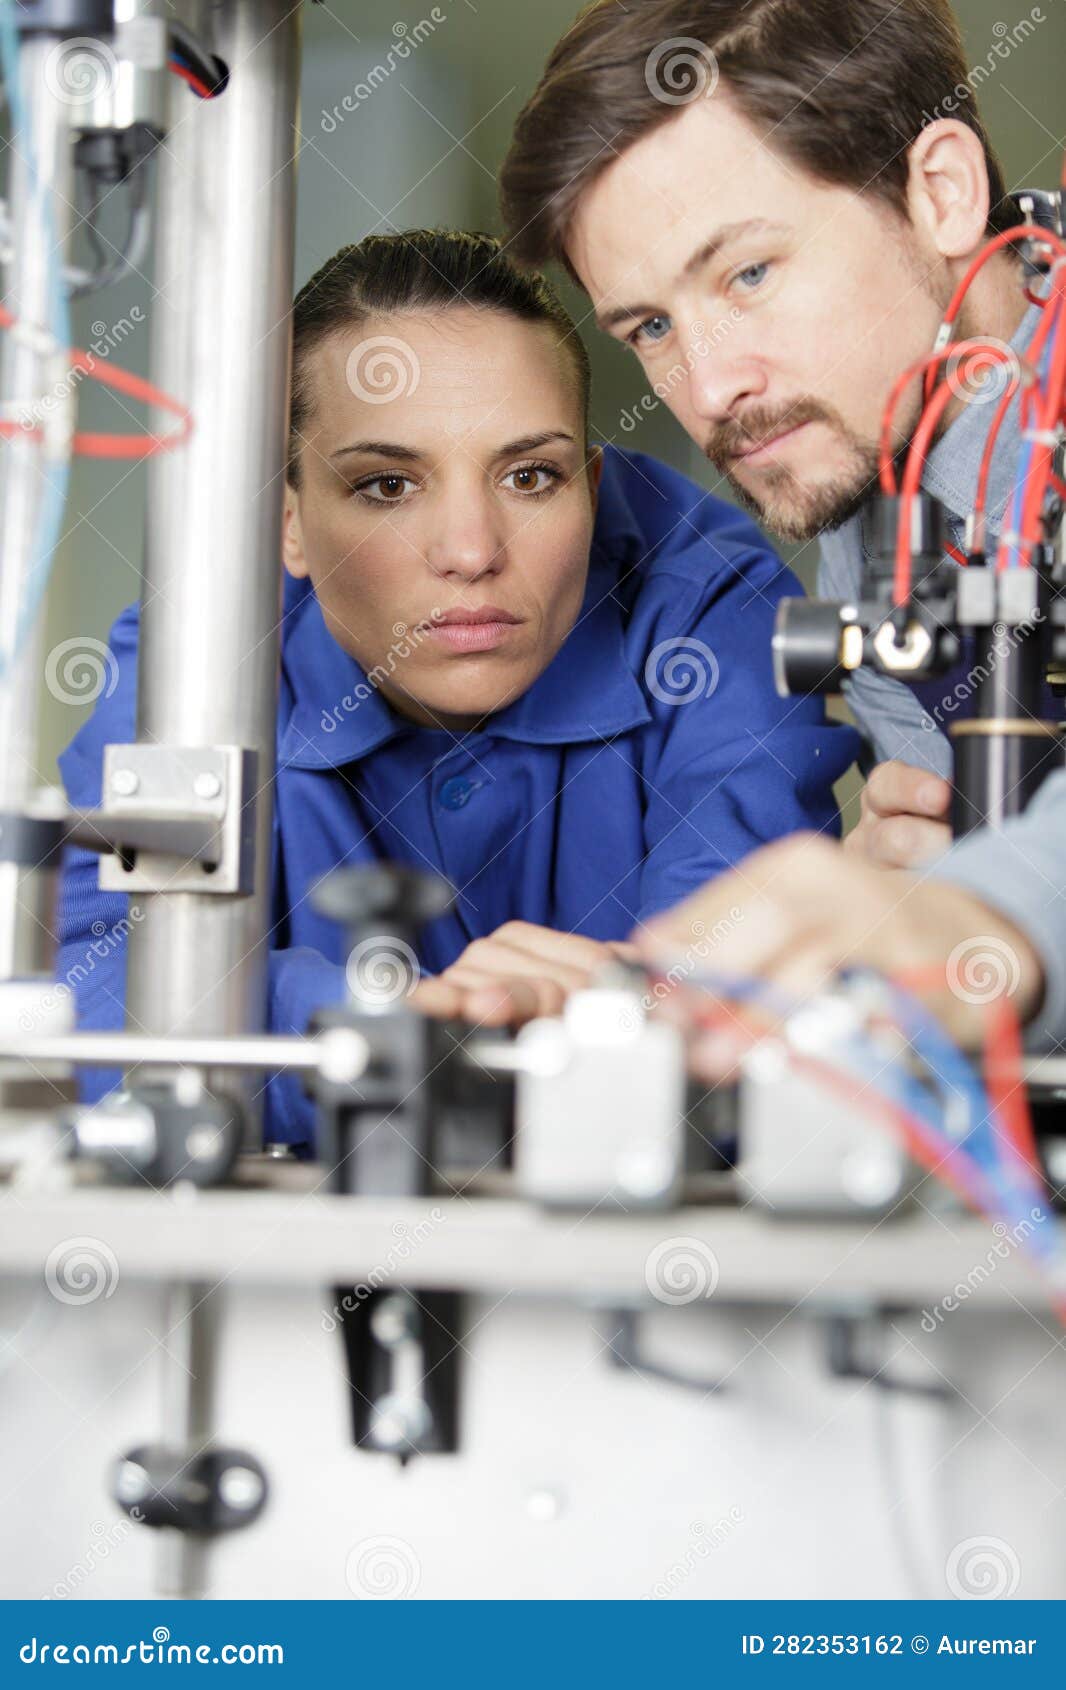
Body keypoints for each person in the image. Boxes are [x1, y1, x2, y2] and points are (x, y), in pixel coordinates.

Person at [55, 229, 856, 1149]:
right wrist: (402, 1029)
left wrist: (318, 1037)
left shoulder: (715, 610)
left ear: (591, 494)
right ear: (289, 524)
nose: (472, 551)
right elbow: (97, 995)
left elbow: (746, 994)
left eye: (530, 476)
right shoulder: (198, 655)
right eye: (389, 485)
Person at [498, 0, 1064, 1045]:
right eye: (652, 327)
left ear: (939, 192)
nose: (711, 387)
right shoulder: (866, 480)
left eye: (748, 274)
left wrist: (982, 913)